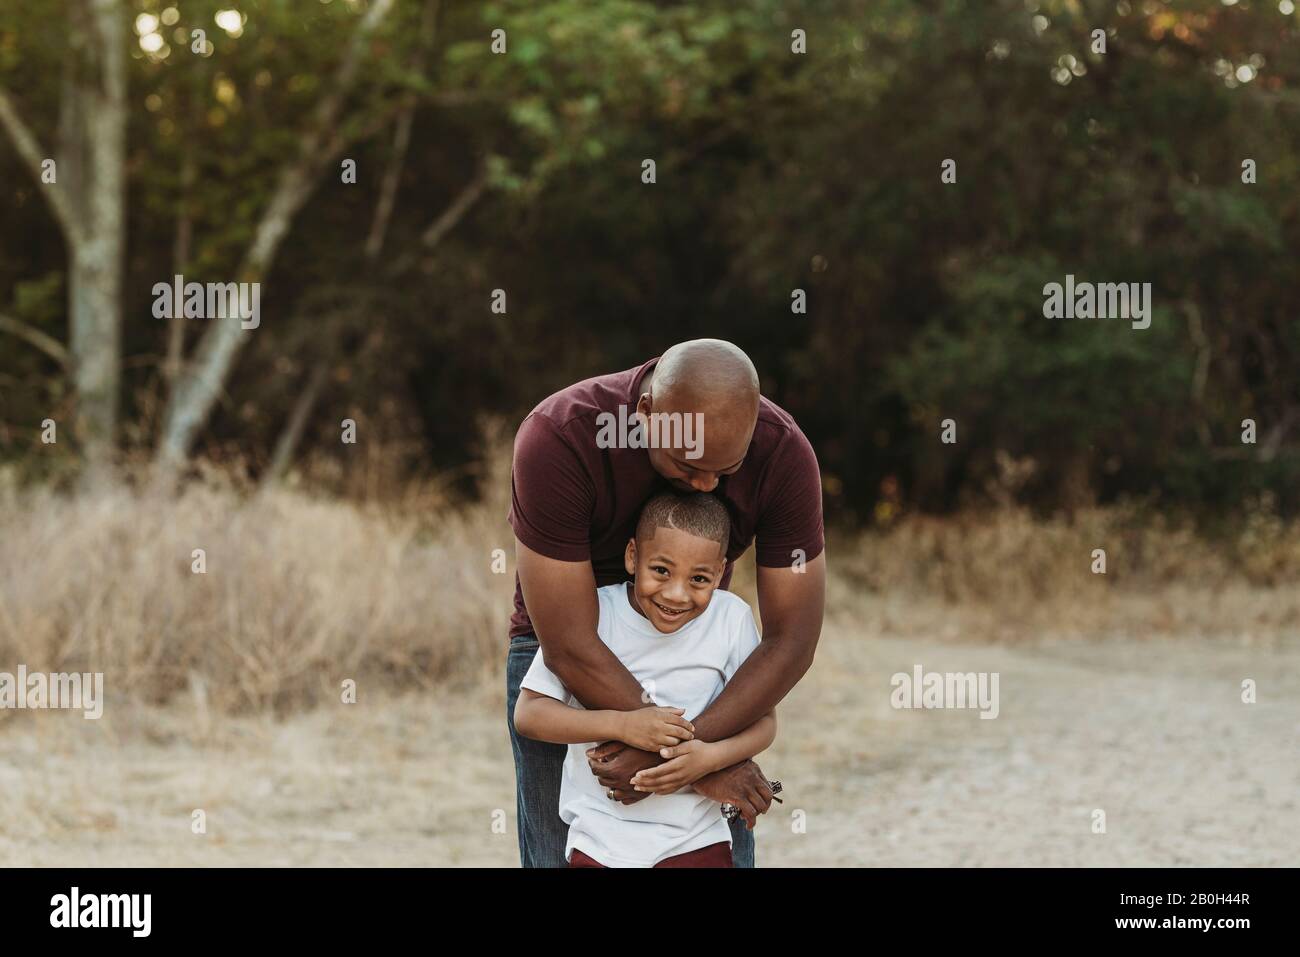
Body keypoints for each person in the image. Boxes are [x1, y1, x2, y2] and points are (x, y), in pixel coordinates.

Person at [506, 338, 825, 867]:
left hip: (693, 656)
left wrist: (691, 756)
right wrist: (692, 759)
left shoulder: (783, 454)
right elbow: (567, 643)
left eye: (726, 470)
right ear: (647, 414)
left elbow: (792, 640)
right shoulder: (561, 435)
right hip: (567, 656)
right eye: (686, 462)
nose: (705, 485)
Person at [514, 492, 775, 867]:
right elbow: (529, 714)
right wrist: (622, 724)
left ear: (720, 573)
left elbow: (765, 722)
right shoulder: (595, 613)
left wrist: (708, 759)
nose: (676, 593)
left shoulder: (731, 620)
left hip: (696, 839)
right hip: (600, 839)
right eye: (661, 571)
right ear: (633, 557)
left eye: (699, 578)